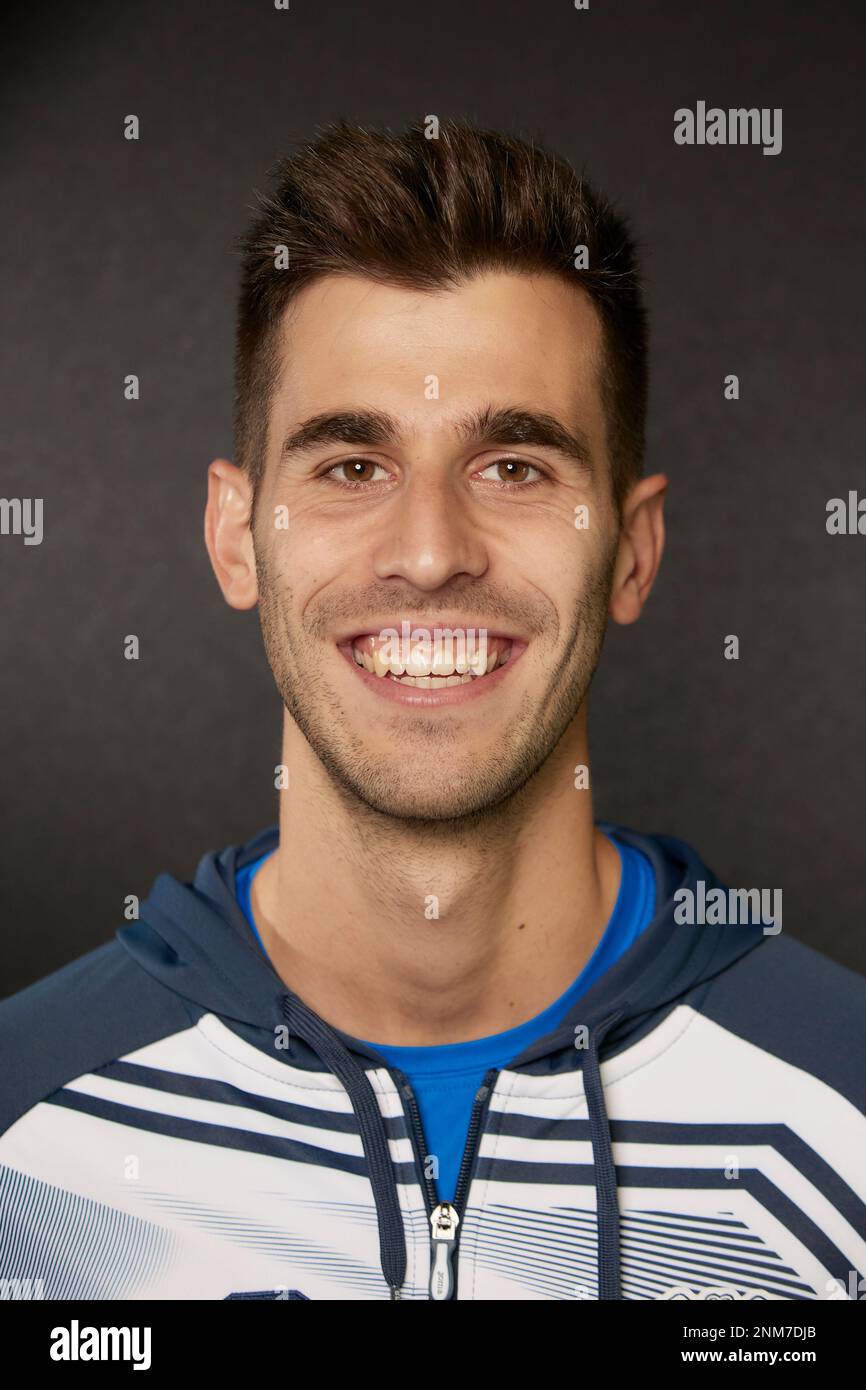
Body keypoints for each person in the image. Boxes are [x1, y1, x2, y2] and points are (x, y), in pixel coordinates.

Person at [1, 119, 864, 1302]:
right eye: (350, 465)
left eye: (514, 466)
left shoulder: (844, 1114)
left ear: (631, 548)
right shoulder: (25, 1135)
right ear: (233, 533)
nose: (426, 551)